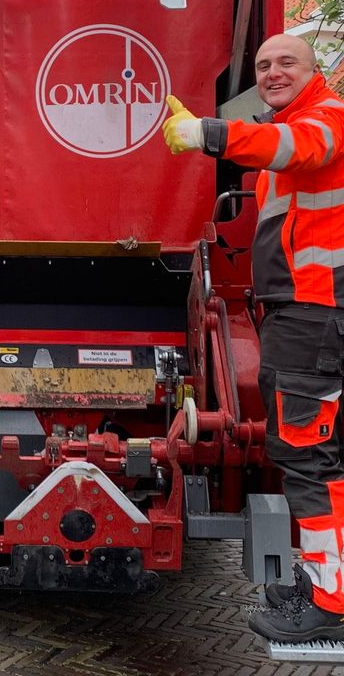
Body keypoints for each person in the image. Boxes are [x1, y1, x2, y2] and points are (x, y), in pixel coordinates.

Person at [162, 33, 344, 643]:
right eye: (262, 65)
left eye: (285, 62)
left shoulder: (326, 118)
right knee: (309, 454)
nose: (271, 73)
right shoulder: (286, 134)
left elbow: (293, 146)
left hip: (316, 314)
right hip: (299, 316)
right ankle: (325, 582)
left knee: (307, 455)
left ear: (313, 70)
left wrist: (209, 133)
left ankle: (330, 602)